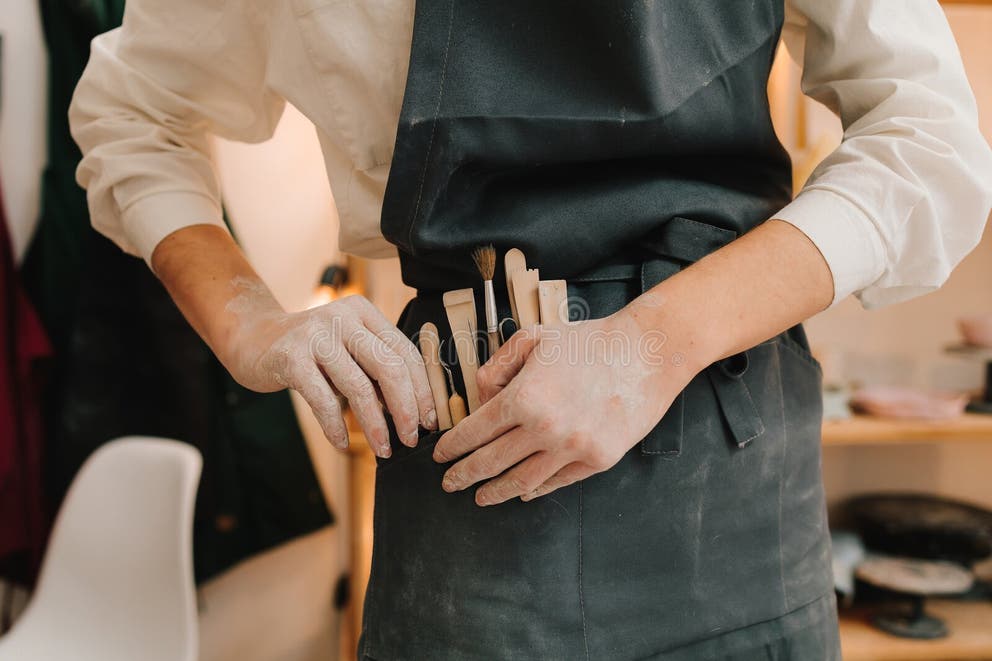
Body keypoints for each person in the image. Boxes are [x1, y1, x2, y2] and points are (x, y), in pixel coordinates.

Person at [69, 1, 992, 658]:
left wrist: (655, 342)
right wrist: (253, 327)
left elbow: (931, 142)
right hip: (476, 473)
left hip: (736, 473)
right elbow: (130, 114)